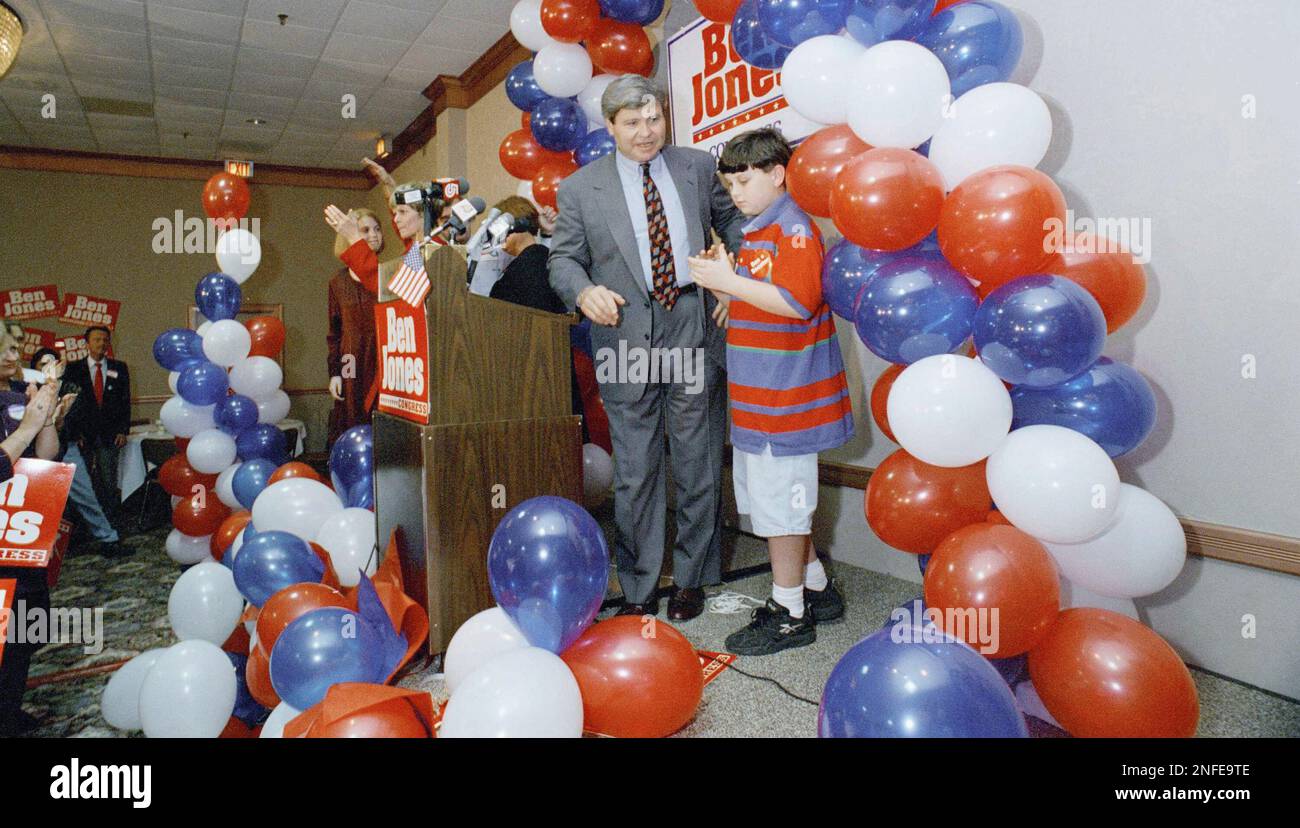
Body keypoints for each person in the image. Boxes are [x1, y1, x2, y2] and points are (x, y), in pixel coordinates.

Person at [548, 74, 745, 621]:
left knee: (697, 457)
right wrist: (583, 290)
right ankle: (638, 585)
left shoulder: (698, 166)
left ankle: (692, 577)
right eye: (632, 122)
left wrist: (734, 279)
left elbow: (736, 225)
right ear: (609, 127)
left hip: (690, 318)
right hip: (624, 327)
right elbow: (561, 259)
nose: (646, 131)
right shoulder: (581, 187)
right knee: (635, 469)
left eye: (654, 118)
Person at [688, 127, 854, 655]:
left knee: (782, 507)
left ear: (778, 174)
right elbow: (764, 299)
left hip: (788, 398)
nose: (734, 193)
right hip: (762, 395)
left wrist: (730, 283)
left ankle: (789, 612)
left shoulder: (794, 228)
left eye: (743, 180)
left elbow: (798, 300)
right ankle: (816, 589)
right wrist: (724, 286)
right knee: (772, 502)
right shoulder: (758, 231)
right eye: (729, 183)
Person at [0, 331, 67, 736]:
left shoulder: (14, 394)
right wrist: (27, 426)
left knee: (27, 626)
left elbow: (46, 456)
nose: (16, 354)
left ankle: (9, 710)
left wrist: (48, 420)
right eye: (6, 348)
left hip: (24, 534)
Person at [30, 349, 127, 557]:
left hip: (67, 449)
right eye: (42, 365)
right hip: (32, 454)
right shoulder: (27, 389)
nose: (47, 368)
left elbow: (76, 418)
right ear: (35, 368)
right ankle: (40, 547)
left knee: (86, 496)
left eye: (51, 364)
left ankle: (108, 538)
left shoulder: (71, 388)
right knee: (37, 502)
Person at [326, 207, 385, 445]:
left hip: (382, 358)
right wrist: (335, 373)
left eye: (377, 229)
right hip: (350, 360)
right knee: (352, 417)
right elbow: (335, 332)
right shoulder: (337, 282)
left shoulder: (387, 273)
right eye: (365, 230)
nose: (373, 235)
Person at [60, 326, 131, 524]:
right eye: (97, 340)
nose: (101, 344)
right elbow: (68, 403)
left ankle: (110, 524)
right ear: (87, 343)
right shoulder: (73, 369)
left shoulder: (120, 368)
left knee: (108, 483)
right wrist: (74, 433)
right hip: (81, 437)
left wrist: (122, 430)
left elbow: (125, 401)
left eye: (105, 340)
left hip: (110, 436)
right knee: (82, 483)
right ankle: (83, 527)